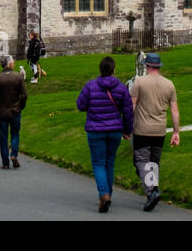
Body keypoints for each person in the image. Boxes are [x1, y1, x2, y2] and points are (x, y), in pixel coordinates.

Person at [76, 56, 133, 212]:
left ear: (100, 70)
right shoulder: (121, 88)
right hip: (114, 130)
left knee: (99, 163)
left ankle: (104, 194)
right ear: (114, 70)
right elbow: (128, 112)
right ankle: (108, 193)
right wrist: (127, 130)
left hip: (96, 130)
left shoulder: (90, 86)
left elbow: (80, 105)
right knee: (109, 162)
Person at [128, 53, 180, 211]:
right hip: (160, 130)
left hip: (142, 128)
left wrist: (127, 127)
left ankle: (151, 193)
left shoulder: (139, 82)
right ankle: (154, 189)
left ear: (147, 65)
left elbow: (132, 106)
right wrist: (176, 132)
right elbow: (174, 110)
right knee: (153, 162)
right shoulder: (169, 84)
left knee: (141, 161)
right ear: (158, 66)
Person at [0, 54, 28, 169]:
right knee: (15, 133)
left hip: (2, 112)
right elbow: (25, 95)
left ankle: (5, 163)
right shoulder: (18, 77)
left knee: (3, 136)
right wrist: (21, 105)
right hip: (15, 110)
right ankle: (14, 154)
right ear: (10, 64)